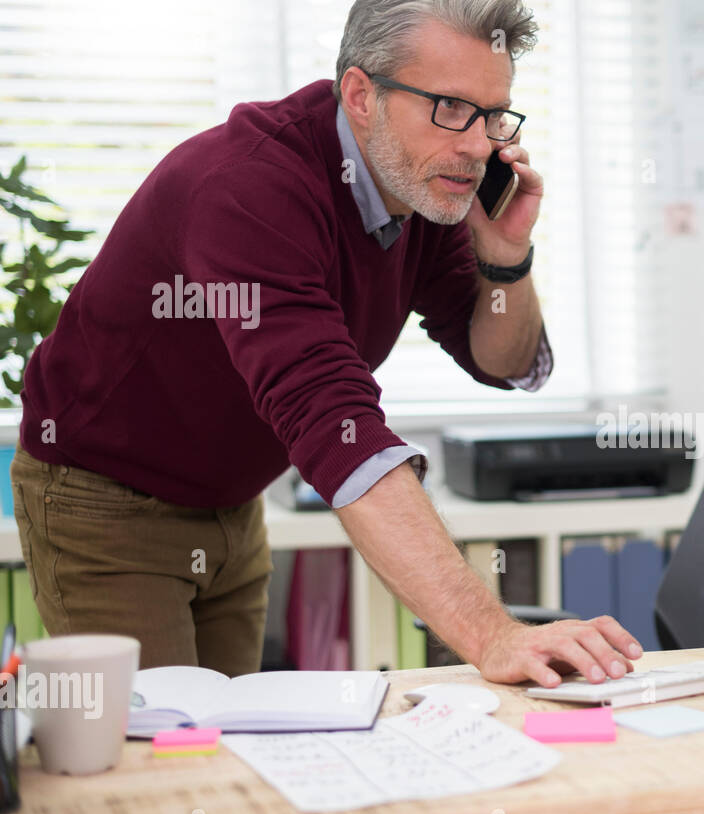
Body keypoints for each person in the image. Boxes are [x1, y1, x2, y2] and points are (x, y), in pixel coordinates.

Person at [11, 0, 640, 689]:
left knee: (231, 753)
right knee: (162, 763)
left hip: (233, 500)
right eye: (451, 108)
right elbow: (332, 418)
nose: (480, 145)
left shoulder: (422, 181)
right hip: (105, 498)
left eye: (493, 114)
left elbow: (505, 360)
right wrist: (490, 634)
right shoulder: (251, 190)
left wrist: (507, 255)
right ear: (361, 96)